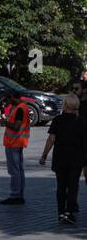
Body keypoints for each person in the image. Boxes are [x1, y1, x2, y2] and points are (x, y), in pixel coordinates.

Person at [39, 93, 84, 226]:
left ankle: (61, 212)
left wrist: (44, 155)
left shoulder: (58, 120)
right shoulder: (82, 121)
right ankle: (69, 213)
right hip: (76, 158)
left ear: (65, 105)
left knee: (61, 186)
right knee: (73, 186)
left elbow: (51, 139)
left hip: (60, 158)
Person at [0, 93, 32, 205]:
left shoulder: (20, 109)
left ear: (13, 97)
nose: (9, 101)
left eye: (9, 99)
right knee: (18, 170)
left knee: (14, 171)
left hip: (14, 143)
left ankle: (15, 195)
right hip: (18, 142)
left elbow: (16, 126)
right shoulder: (22, 107)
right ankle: (19, 194)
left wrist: (4, 122)